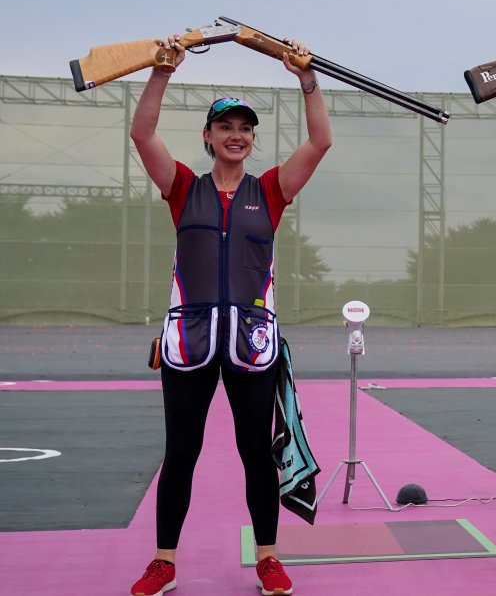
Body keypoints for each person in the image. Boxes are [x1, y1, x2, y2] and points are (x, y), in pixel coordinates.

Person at [127, 33, 332, 596]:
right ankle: (164, 563)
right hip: (189, 342)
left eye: (244, 128)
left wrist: (306, 78)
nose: (236, 135)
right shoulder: (181, 187)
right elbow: (141, 134)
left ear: (252, 139)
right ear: (209, 136)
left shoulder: (271, 190)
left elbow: (320, 140)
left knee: (255, 453)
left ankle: (268, 559)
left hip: (252, 344)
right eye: (225, 127)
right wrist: (162, 71)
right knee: (181, 453)